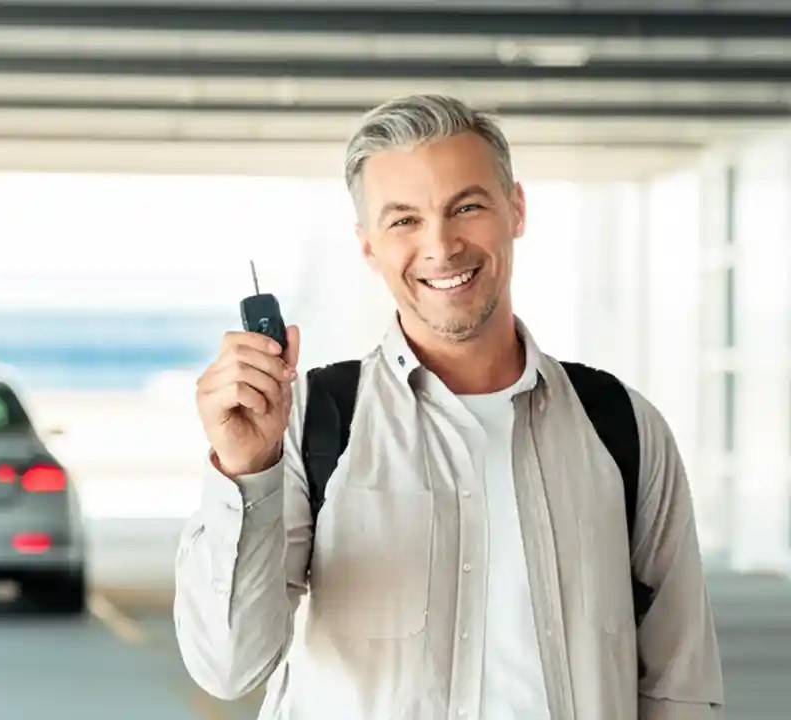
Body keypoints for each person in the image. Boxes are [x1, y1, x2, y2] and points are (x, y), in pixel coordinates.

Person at [175, 94, 724, 719]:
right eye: (403, 220)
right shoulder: (310, 423)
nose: (441, 246)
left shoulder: (623, 427)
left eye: (466, 207)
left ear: (515, 209)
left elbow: (681, 683)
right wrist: (246, 470)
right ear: (368, 246)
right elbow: (228, 668)